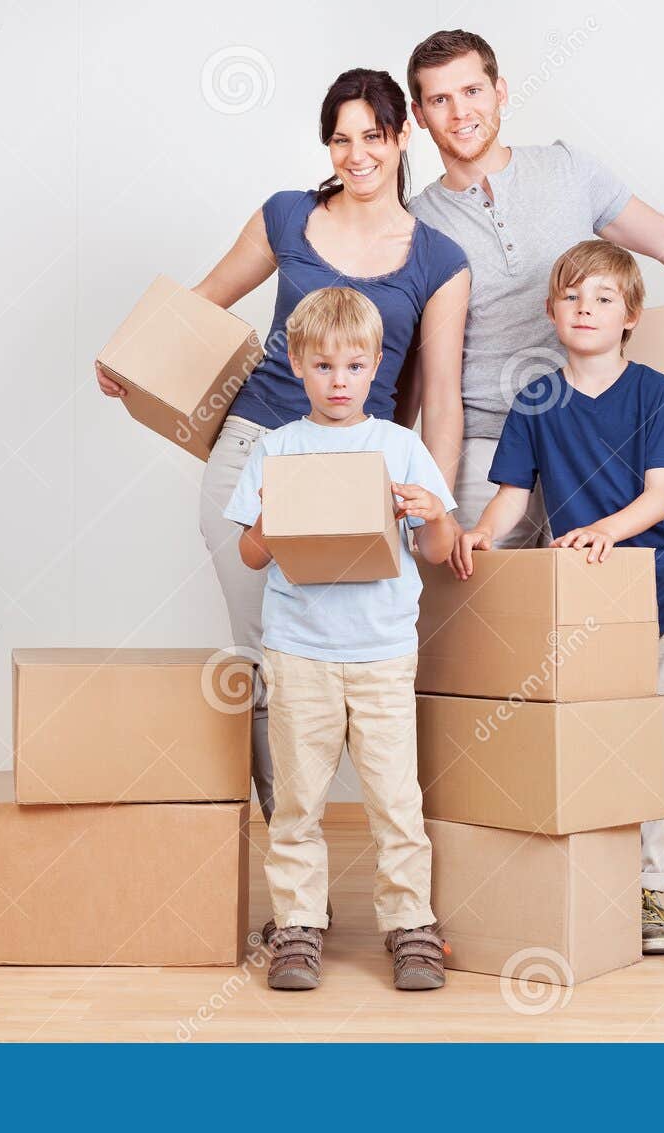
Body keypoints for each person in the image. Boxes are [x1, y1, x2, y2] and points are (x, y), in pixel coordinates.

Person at [95, 69, 469, 821]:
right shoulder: (286, 216)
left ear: (401, 138)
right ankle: (293, 853)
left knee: (351, 660)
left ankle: (362, 838)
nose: (356, 154)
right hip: (259, 447)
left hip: (362, 471)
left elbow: (442, 396)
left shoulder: (440, 259)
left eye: (372, 136)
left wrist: (440, 507)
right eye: (339, 138)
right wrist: (132, 355)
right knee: (269, 658)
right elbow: (204, 300)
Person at [404, 28, 664, 545]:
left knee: (601, 613)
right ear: (419, 116)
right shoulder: (415, 224)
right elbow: (418, 371)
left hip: (595, 435)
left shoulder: (567, 169)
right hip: (487, 447)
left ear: (500, 91)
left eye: (472, 91)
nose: (461, 112)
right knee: (485, 614)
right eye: (440, 99)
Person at [453, 241, 664, 955]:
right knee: (595, 742)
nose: (586, 309)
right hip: (590, 600)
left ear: (630, 315)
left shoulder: (653, 391)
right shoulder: (537, 399)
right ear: (550, 311)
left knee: (660, 745)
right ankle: (593, 878)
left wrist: (602, 528)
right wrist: (478, 533)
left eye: (602, 298)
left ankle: (649, 891)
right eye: (572, 297)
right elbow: (513, 495)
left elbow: (661, 496)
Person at [224, 287, 457, 991]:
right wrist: (270, 520)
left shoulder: (399, 446)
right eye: (323, 366)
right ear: (297, 364)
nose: (338, 381)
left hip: (383, 651)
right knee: (297, 799)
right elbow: (251, 555)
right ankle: (297, 923)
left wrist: (430, 513)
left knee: (395, 797)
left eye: (354, 366)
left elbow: (441, 548)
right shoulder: (278, 447)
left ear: (377, 365)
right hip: (300, 652)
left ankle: (410, 920)